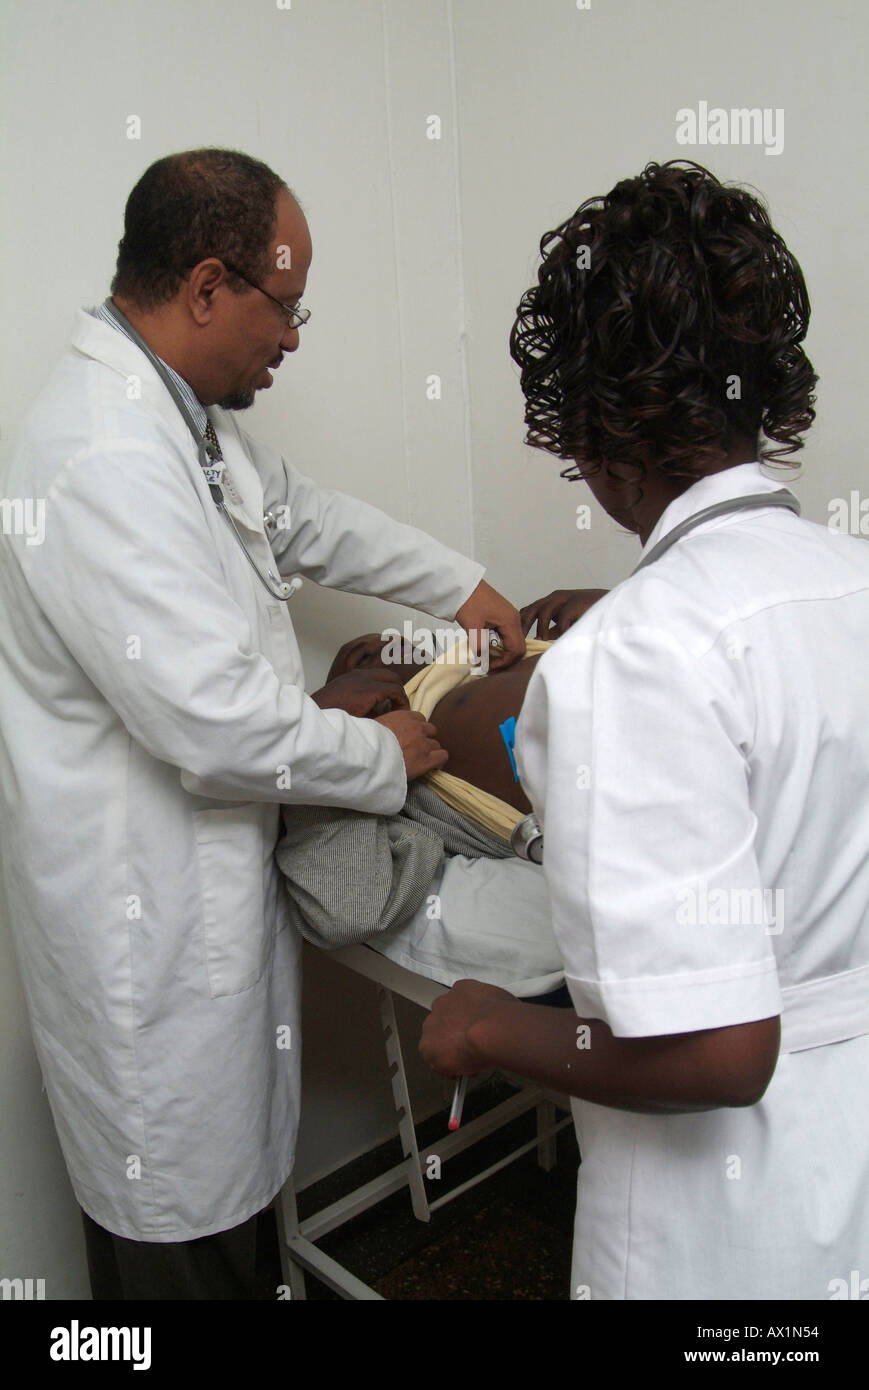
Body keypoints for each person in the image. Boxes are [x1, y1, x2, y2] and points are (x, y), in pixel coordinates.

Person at [0, 147, 524, 1301]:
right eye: (282, 308)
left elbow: (303, 516)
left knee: (226, 1230)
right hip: (144, 942)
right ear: (203, 286)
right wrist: (382, 753)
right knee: (172, 1250)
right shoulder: (97, 458)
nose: (293, 336)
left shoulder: (183, 420)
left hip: (210, 909)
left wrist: (458, 585)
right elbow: (218, 727)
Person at [420, 159, 869, 1300]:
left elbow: (721, 1055)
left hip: (717, 1228)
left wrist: (489, 1031)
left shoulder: (629, 657)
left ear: (589, 426)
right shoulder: (848, 580)